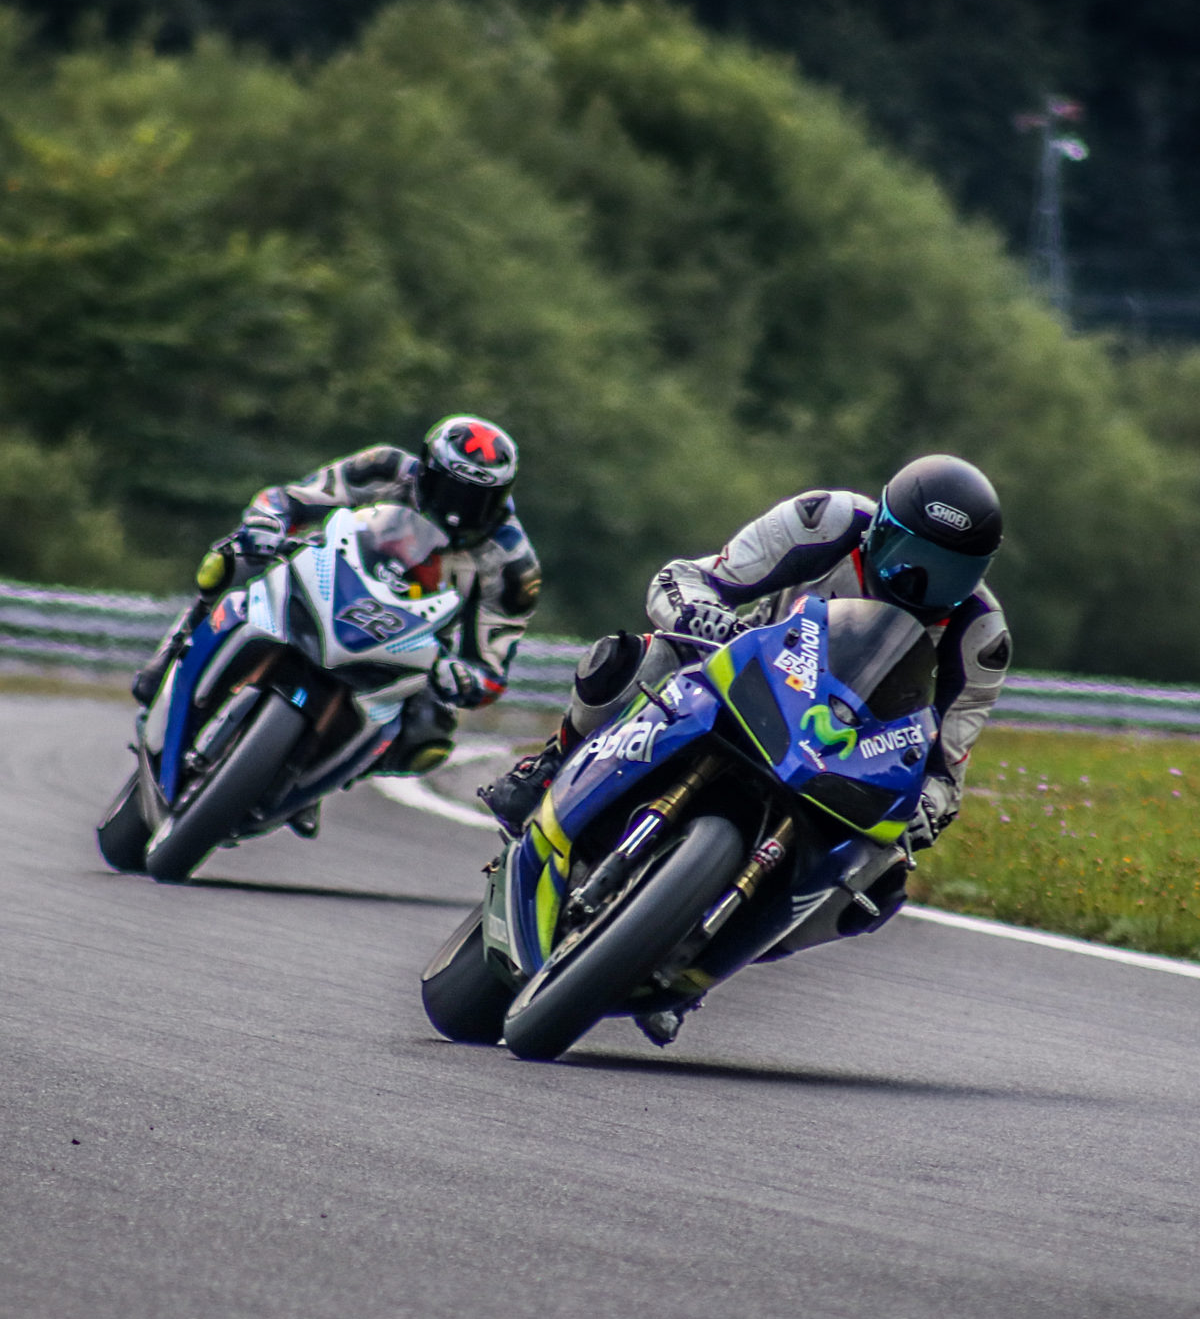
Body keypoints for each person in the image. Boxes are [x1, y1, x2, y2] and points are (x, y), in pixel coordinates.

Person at [481, 454, 1010, 1036]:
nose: (922, 584)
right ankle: (550, 765)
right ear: (881, 528)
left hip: (842, 752)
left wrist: (926, 812)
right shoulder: (826, 521)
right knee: (637, 656)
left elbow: (949, 760)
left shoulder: (979, 635)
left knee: (880, 881)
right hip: (747, 675)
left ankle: (703, 958)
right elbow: (689, 576)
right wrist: (700, 611)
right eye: (912, 559)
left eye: (951, 574)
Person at [132, 416, 541, 816]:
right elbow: (293, 497)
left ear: (502, 495)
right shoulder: (384, 467)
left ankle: (318, 776)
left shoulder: (513, 563)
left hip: (409, 641)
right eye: (451, 489)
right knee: (230, 561)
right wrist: (266, 524)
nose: (458, 508)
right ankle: (170, 652)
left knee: (427, 739)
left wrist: (469, 678)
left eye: (476, 497)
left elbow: (493, 659)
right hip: (329, 578)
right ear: (427, 469)